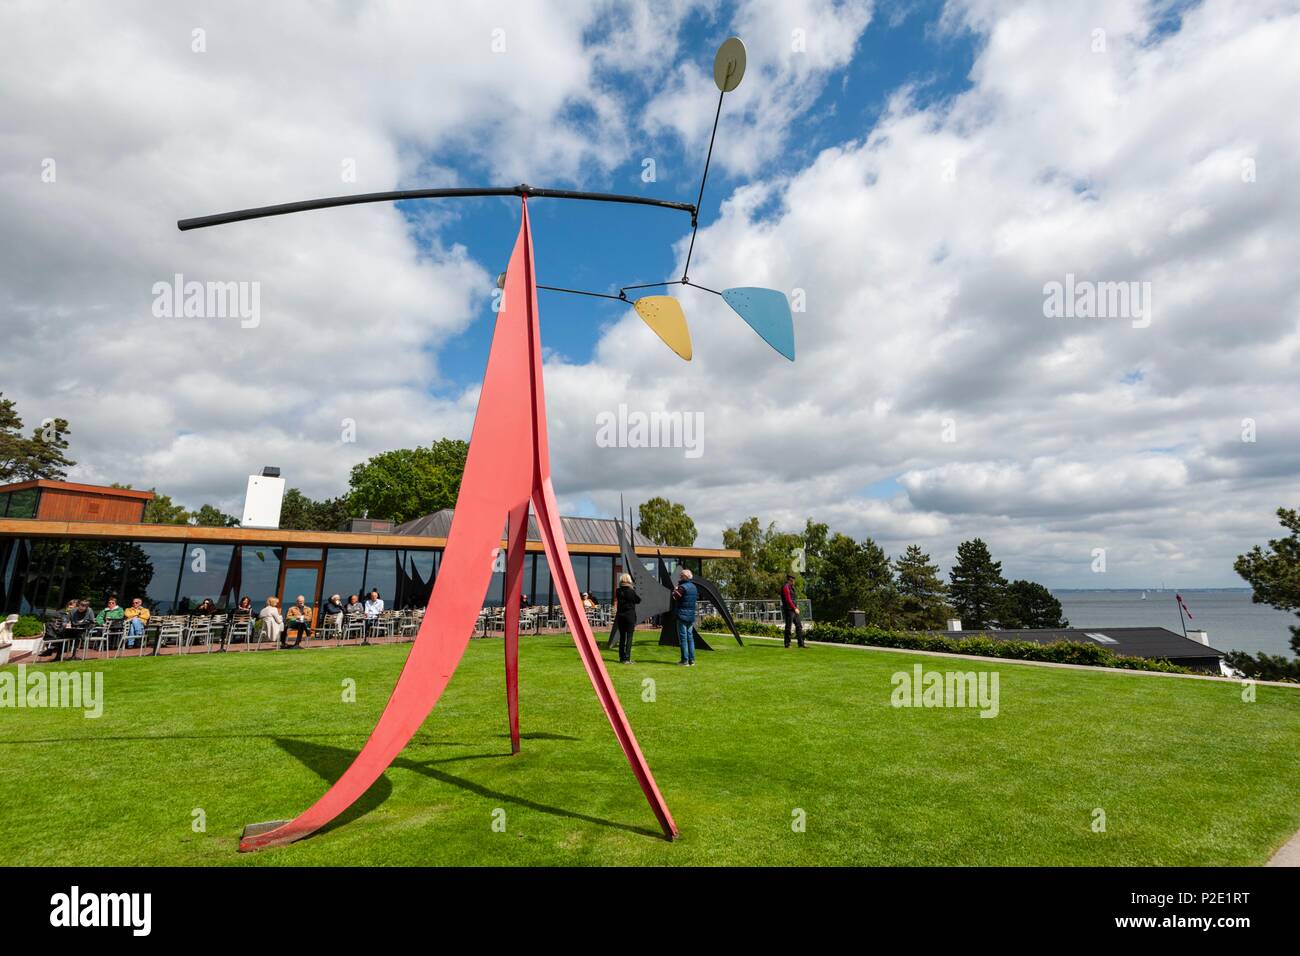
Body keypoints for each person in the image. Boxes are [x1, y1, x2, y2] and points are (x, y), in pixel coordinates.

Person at [613, 573, 641, 664]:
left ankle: (621, 658)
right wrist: (633, 589)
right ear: (629, 580)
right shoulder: (631, 591)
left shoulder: (618, 591)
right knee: (629, 637)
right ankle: (627, 658)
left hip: (620, 616)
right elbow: (638, 600)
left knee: (622, 637)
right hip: (629, 616)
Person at [673, 569, 698, 666]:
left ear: (685, 576)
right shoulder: (694, 587)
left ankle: (685, 660)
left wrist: (675, 590)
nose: (680, 577)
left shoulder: (682, 587)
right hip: (691, 615)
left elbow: (675, 597)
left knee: (683, 638)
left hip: (682, 615)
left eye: (681, 575)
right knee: (690, 638)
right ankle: (692, 660)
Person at [781, 573, 805, 648]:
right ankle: (787, 644)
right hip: (789, 610)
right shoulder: (785, 587)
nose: (794, 581)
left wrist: (796, 607)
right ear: (790, 580)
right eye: (793, 580)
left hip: (794, 609)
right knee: (788, 626)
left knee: (799, 625)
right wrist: (794, 608)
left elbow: (794, 599)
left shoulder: (792, 587)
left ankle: (801, 643)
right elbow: (788, 600)